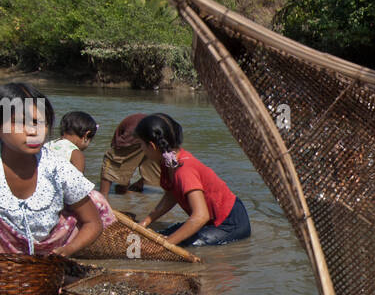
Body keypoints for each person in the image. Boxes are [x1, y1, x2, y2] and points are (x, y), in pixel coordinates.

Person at [0, 83, 114, 256]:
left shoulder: (57, 168)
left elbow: (93, 223)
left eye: (41, 123)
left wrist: (65, 251)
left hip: (46, 263)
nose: (34, 132)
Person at [135, 113, 251, 247]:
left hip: (230, 223)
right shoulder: (169, 161)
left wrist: (165, 245)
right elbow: (172, 195)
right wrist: (146, 222)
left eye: (141, 145)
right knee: (160, 234)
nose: (141, 150)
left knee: (180, 244)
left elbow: (201, 216)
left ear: (152, 146)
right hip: (212, 221)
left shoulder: (184, 170)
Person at [98, 112, 163, 195]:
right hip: (155, 130)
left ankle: (103, 195)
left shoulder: (132, 133)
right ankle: (138, 185)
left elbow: (118, 156)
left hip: (136, 130)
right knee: (154, 161)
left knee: (112, 161)